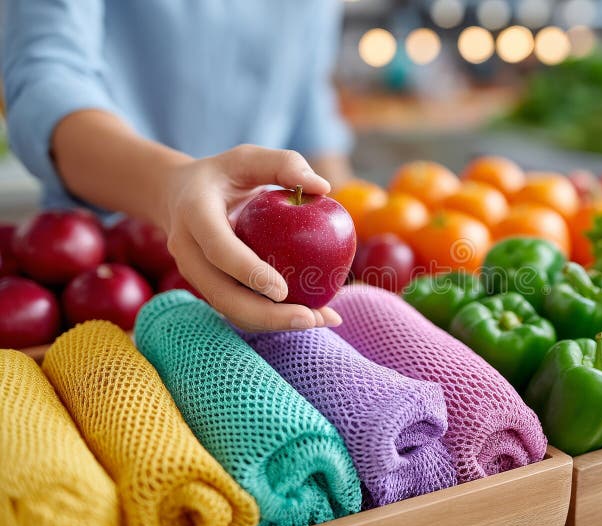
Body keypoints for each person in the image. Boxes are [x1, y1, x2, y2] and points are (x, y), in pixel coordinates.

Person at [2, 1, 355, 332]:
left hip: (253, 276)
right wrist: (171, 187)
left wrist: (347, 238)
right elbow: (48, 81)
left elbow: (309, 115)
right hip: (100, 273)